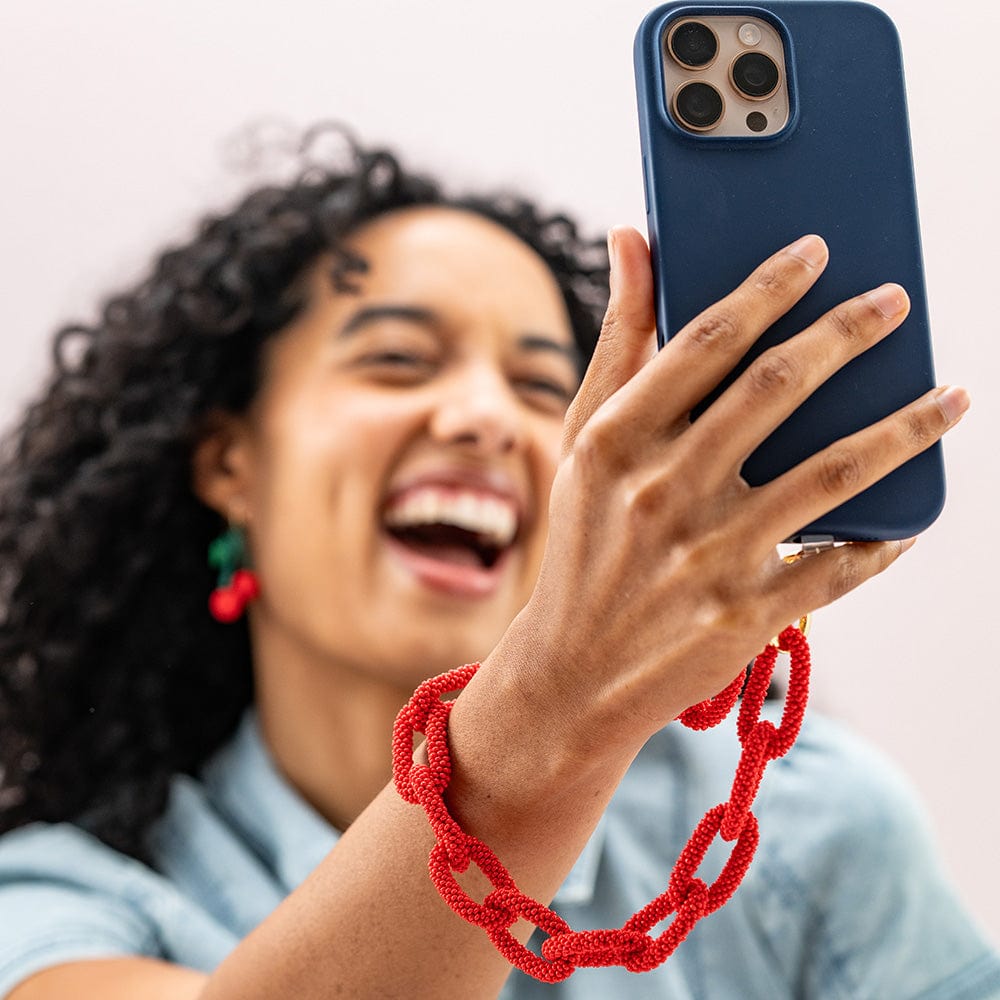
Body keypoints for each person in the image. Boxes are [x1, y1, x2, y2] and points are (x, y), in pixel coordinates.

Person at [0, 127, 996, 1000]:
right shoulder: (65, 903)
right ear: (229, 463)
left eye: (535, 384)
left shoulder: (811, 826)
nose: (482, 416)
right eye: (396, 359)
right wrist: (555, 702)